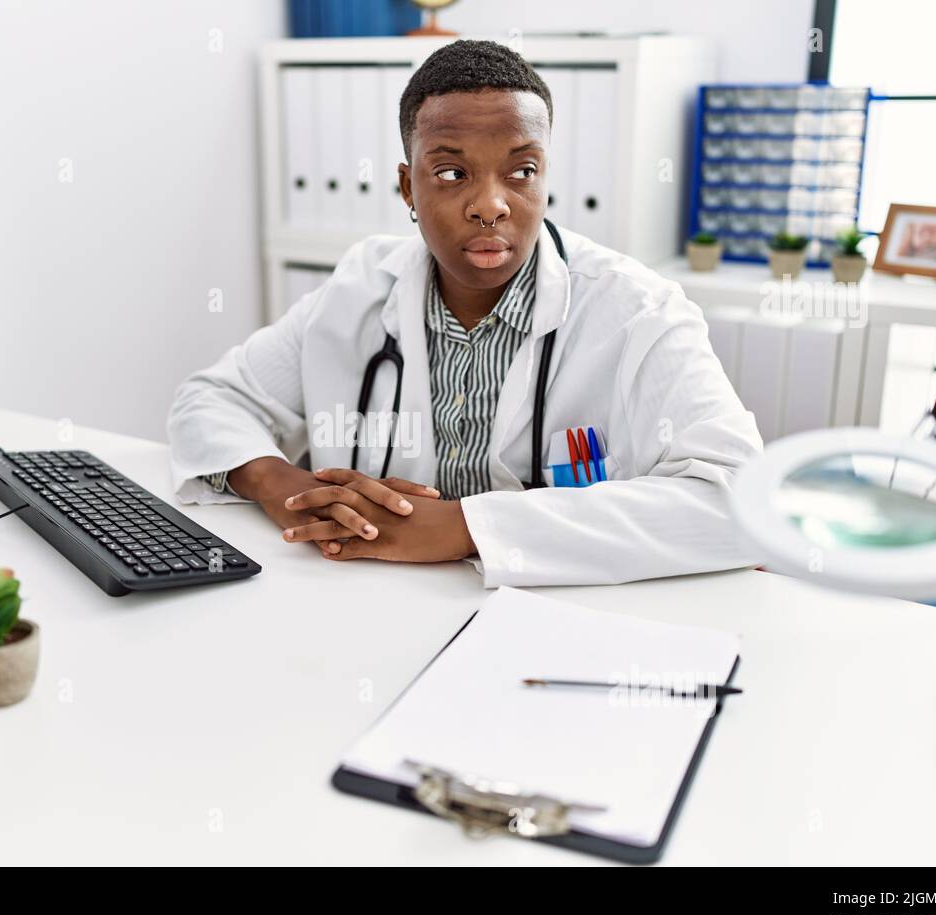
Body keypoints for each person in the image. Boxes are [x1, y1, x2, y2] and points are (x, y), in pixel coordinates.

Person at [168, 39, 762, 587]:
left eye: (521, 171)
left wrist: (460, 527)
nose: (490, 205)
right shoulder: (359, 287)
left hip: (558, 627)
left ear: (545, 178)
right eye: (452, 173)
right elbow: (211, 399)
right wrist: (286, 486)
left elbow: (740, 500)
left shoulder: (638, 312)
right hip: (367, 602)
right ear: (407, 187)